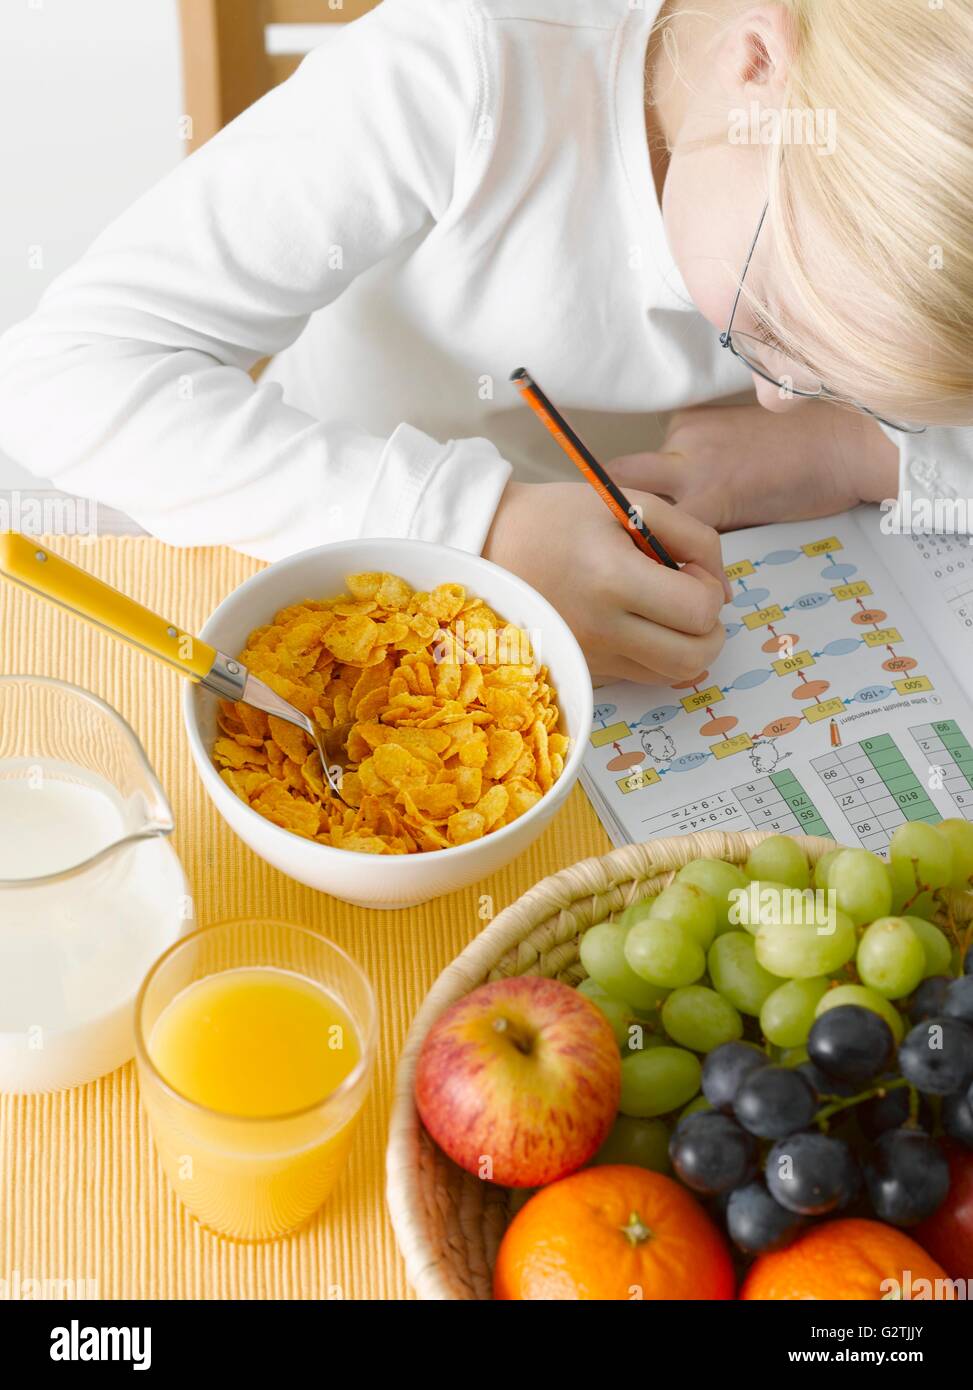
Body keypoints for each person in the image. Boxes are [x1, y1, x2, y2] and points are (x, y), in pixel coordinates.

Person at [0, 0, 969, 684]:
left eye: (856, 379)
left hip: (703, 587)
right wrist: (472, 533)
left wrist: (862, 443)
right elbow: (59, 374)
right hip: (348, 541)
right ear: (756, 68)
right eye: (770, 319)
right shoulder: (466, 73)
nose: (780, 397)